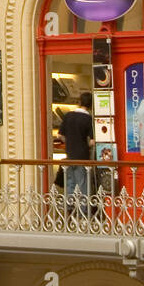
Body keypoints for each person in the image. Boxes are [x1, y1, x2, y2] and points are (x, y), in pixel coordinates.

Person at [59, 91, 94, 219]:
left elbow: (61, 136)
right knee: (82, 183)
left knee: (70, 183)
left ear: (79, 102)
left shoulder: (68, 116)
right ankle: (83, 211)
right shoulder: (88, 119)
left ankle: (69, 208)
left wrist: (70, 143)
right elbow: (91, 141)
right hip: (82, 156)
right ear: (90, 105)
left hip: (69, 155)